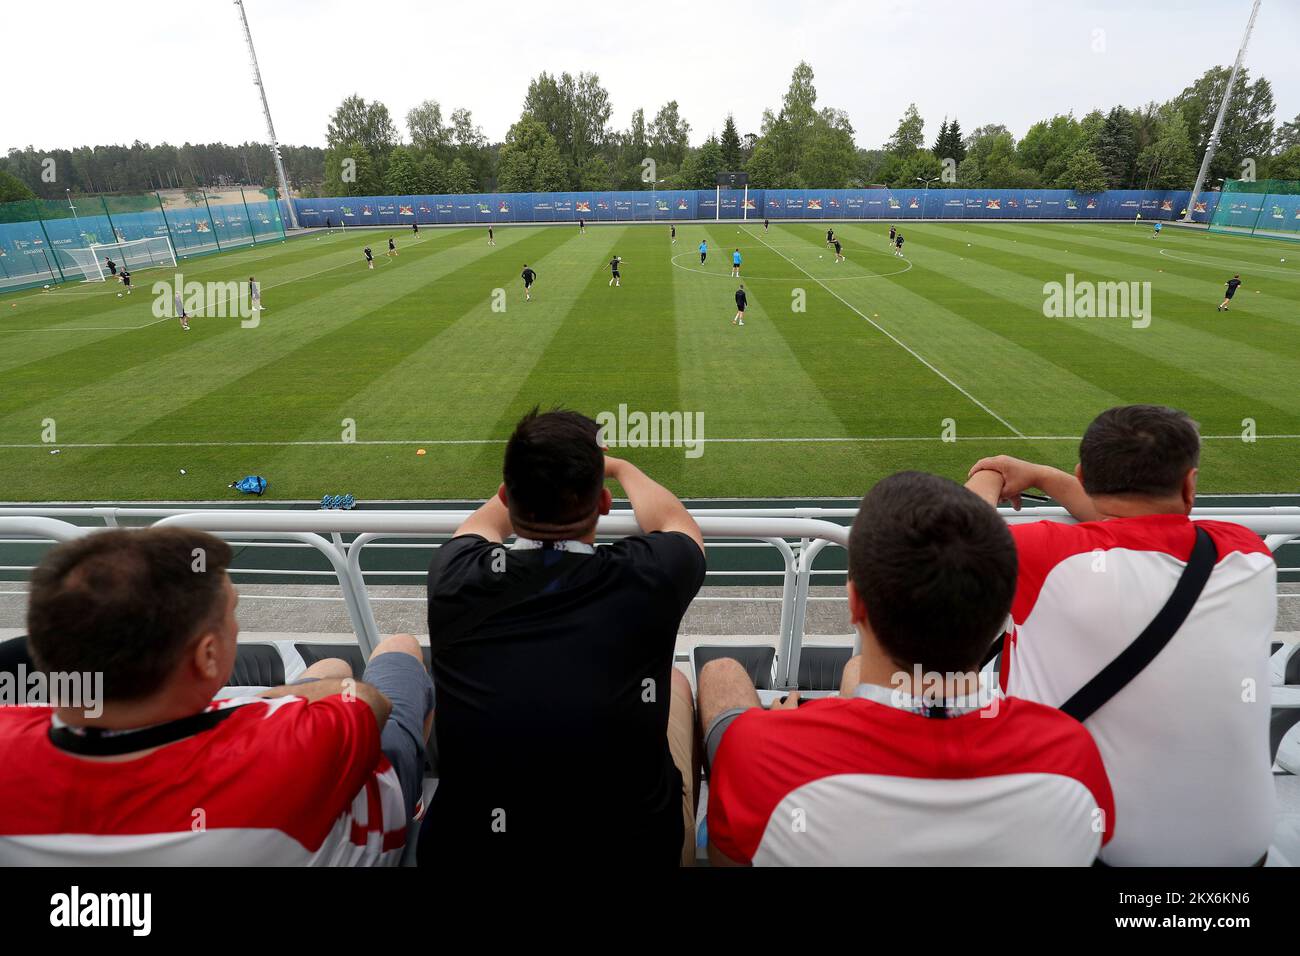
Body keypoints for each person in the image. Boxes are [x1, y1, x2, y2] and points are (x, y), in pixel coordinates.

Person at [699, 472, 1114, 866]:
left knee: (723, 675)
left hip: (782, 758)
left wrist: (782, 736)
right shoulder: (1072, 754)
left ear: (855, 603)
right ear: (1001, 611)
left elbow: (727, 859)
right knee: (856, 671)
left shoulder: (756, 750)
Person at [0, 528, 434, 865]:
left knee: (328, 670)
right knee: (395, 650)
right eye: (231, 612)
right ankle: (414, 802)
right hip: (367, 832)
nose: (237, 626)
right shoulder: (291, 741)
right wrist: (269, 701)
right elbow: (367, 701)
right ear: (207, 656)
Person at [964, 405, 1277, 866]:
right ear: (1189, 484)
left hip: (1081, 852)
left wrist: (992, 473)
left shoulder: (1046, 557)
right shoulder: (1247, 553)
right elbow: (1134, 521)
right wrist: (1048, 477)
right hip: (1243, 854)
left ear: (1084, 475)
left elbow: (952, 533)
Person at [422, 408, 707, 865]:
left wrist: (541, 470)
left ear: (505, 496)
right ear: (605, 503)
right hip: (636, 846)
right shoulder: (648, 579)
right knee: (675, 685)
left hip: (468, 847)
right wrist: (618, 466)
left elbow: (483, 525)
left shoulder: (453, 576)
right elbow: (678, 526)